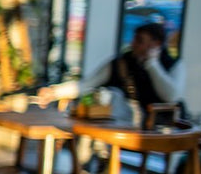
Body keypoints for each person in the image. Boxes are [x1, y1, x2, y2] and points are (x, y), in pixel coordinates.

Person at [39, 23, 185, 122]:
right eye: (135, 39)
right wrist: (55, 92)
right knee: (110, 97)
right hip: (125, 123)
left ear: (156, 44)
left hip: (160, 125)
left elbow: (171, 96)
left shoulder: (173, 65)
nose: (133, 45)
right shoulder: (122, 63)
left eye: (140, 41)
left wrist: (152, 65)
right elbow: (87, 84)